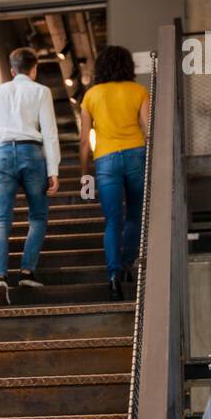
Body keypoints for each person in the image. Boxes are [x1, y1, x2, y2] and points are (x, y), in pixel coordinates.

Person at [0, 46, 61, 306]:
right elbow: (50, 133)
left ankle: (0, 277)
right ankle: (26, 271)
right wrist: (53, 170)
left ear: (12, 70)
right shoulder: (41, 91)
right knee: (38, 215)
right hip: (32, 154)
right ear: (34, 69)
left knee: (0, 220)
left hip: (2, 154)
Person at [78, 45, 150, 301]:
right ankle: (129, 262)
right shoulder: (138, 91)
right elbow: (148, 129)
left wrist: (85, 174)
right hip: (136, 156)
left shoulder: (91, 95)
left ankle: (113, 275)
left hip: (105, 161)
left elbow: (85, 140)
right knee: (135, 215)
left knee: (112, 221)